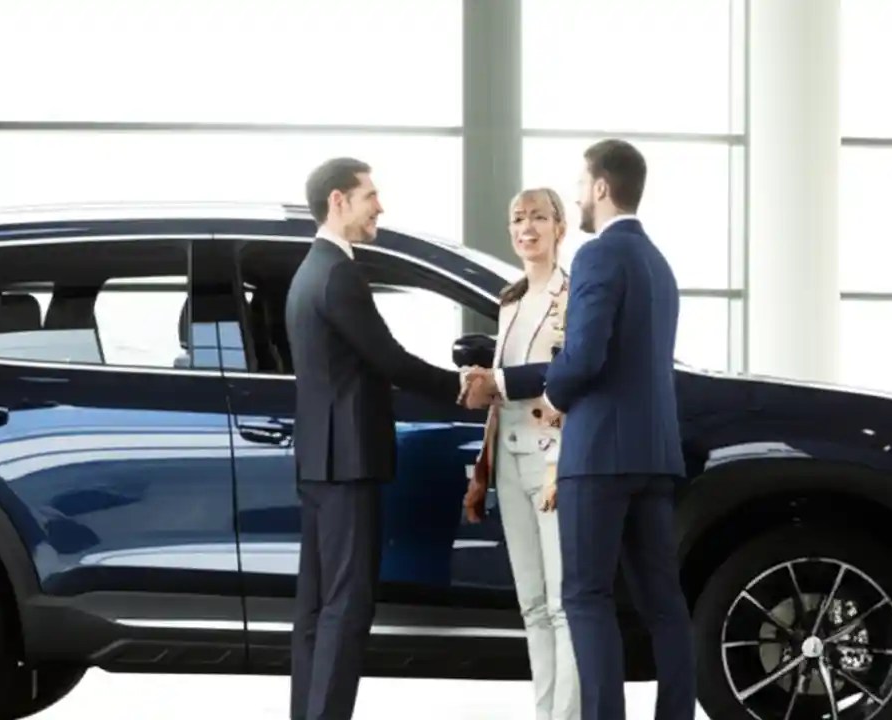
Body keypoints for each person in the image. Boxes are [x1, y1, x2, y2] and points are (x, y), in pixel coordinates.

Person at [461, 139, 695, 720]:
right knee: (665, 604)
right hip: (656, 454)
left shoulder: (597, 257)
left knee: (585, 599)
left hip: (597, 455)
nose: (574, 195)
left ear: (598, 188)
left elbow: (585, 358)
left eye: (577, 186)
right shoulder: (659, 264)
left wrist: (550, 391)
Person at [285, 157, 464, 720]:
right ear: (339, 201)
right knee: (346, 606)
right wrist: (464, 390)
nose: (379, 206)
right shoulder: (338, 273)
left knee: (315, 609)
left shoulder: (308, 271)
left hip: (319, 461)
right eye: (370, 195)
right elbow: (389, 360)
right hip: (349, 463)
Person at [463, 187, 580, 720]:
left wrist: (563, 466)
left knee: (562, 607)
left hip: (552, 458)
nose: (526, 227)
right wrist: (482, 473)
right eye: (517, 218)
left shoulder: (574, 297)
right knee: (532, 605)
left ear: (560, 227)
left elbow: (575, 383)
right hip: (509, 462)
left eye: (538, 217)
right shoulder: (509, 301)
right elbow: (497, 401)